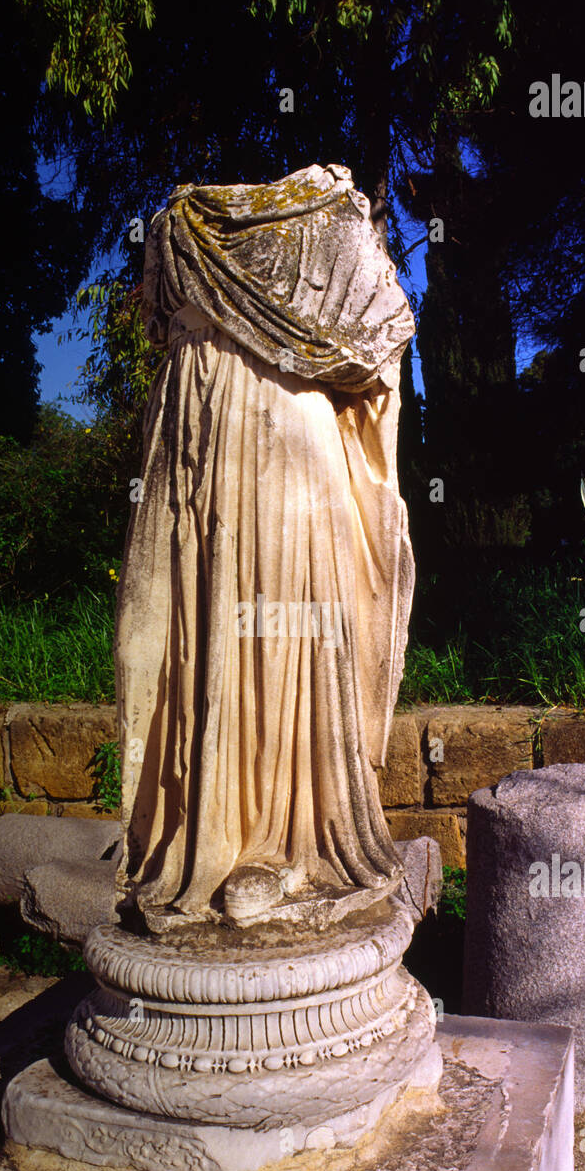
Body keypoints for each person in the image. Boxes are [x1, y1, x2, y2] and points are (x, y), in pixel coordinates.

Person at [114, 163, 416, 931]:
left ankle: (283, 843)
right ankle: (230, 838)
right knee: (202, 631)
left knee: (268, 629)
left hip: (222, 424)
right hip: (254, 435)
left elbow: (154, 326)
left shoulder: (174, 228)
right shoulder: (330, 217)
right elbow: (376, 348)